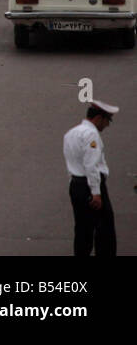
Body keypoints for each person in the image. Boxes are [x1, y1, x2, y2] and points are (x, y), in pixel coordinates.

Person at [63, 100, 118, 256]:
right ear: (99, 118)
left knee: (82, 228)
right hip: (90, 185)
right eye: (107, 121)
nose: (107, 125)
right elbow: (91, 165)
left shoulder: (70, 133)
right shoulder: (91, 135)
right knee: (104, 228)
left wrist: (73, 183)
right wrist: (96, 192)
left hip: (76, 184)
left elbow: (71, 161)